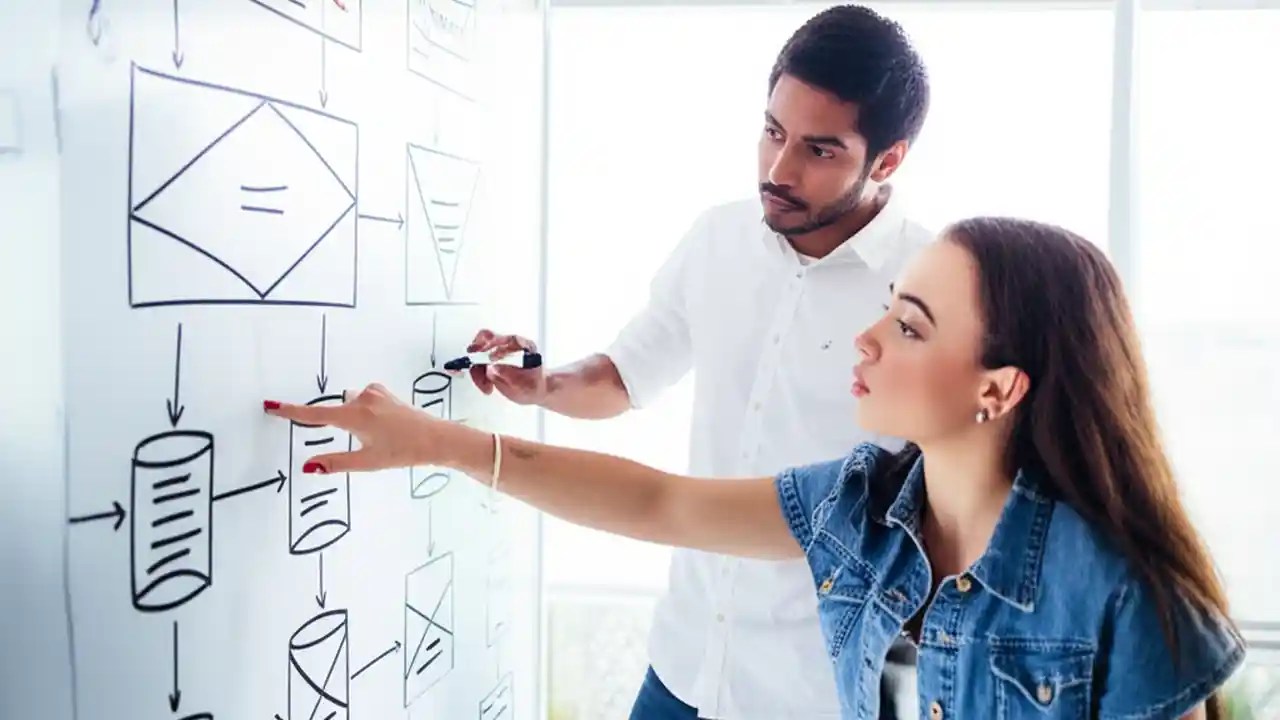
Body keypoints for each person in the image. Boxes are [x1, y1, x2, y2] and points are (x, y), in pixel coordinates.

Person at [266, 216, 1245, 720]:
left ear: (997, 389)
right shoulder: (859, 507)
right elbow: (658, 502)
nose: (865, 338)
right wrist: (439, 442)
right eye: (887, 306)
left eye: (908, 326)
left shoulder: (1126, 594)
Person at [452, 5, 933, 718]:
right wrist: (544, 383)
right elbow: (624, 375)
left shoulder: (927, 289)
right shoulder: (718, 240)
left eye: (819, 150)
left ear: (886, 160)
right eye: (772, 131)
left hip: (811, 692)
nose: (779, 169)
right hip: (682, 665)